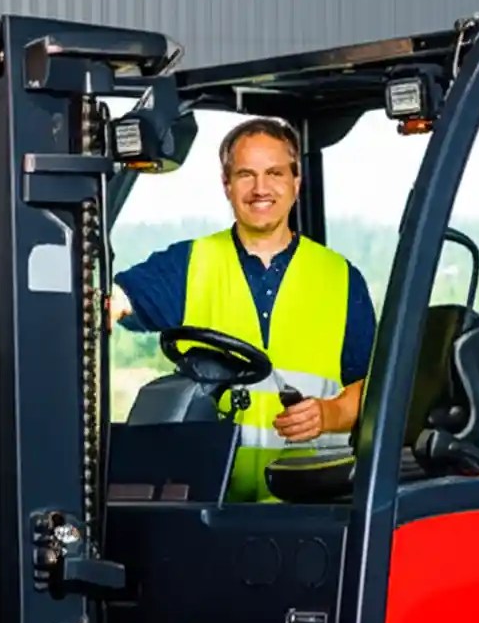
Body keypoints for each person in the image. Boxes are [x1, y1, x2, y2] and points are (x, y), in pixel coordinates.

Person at [109, 116, 376, 502]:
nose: (261, 188)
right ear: (227, 185)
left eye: (275, 173)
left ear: (295, 183)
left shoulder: (341, 277)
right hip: (208, 495)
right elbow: (115, 302)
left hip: (309, 495)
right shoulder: (188, 263)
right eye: (246, 175)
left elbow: (369, 388)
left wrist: (328, 415)